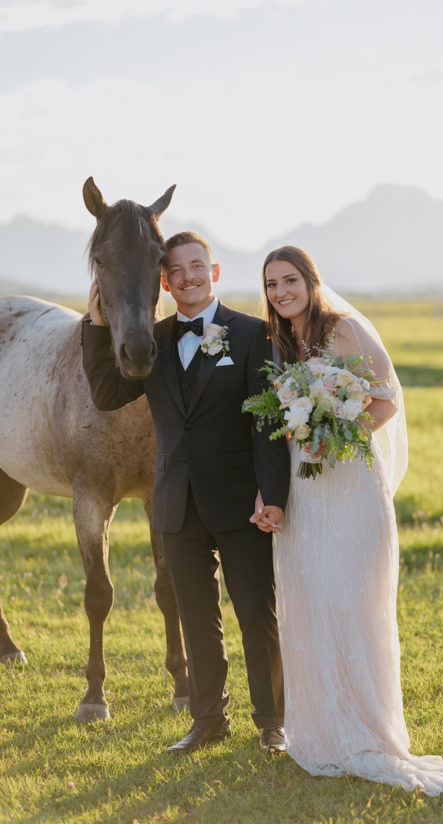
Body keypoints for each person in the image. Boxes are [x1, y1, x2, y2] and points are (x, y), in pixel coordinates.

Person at [251, 245, 443, 795]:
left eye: (289, 280)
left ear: (311, 280)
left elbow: (388, 400)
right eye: (271, 285)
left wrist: (337, 426)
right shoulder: (283, 341)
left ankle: (367, 728)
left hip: (350, 487)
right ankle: (321, 729)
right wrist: (304, 426)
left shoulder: (346, 330)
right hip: (307, 491)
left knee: (350, 601)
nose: (281, 292)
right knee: (312, 598)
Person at [81, 231, 290, 754]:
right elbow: (107, 394)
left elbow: (266, 427)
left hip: (242, 502)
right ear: (164, 282)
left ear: (214, 273)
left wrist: (273, 496)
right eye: (177, 271)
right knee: (197, 620)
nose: (188, 277)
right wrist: (95, 324)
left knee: (255, 616)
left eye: (198, 267)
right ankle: (207, 722)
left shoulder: (251, 334)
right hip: (174, 502)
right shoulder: (154, 339)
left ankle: (272, 724)